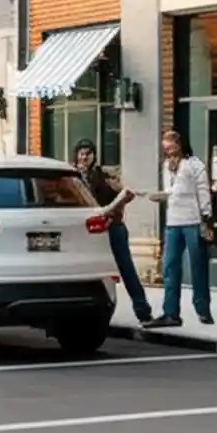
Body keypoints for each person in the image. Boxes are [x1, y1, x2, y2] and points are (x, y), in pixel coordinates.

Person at [74, 139, 152, 324]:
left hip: (112, 227)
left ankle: (143, 311)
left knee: (126, 268)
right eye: (82, 153)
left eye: (88, 153)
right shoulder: (72, 177)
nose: (85, 157)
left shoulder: (104, 175)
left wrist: (117, 207)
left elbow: (123, 192)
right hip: (88, 230)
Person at [147, 130, 214, 327]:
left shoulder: (194, 165)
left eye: (170, 146)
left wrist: (206, 216)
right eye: (165, 147)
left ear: (179, 145)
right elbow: (171, 191)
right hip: (173, 222)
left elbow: (203, 190)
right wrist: (160, 196)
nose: (167, 150)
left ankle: (203, 309)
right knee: (170, 267)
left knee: (198, 266)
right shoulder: (166, 166)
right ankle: (171, 313)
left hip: (193, 221)